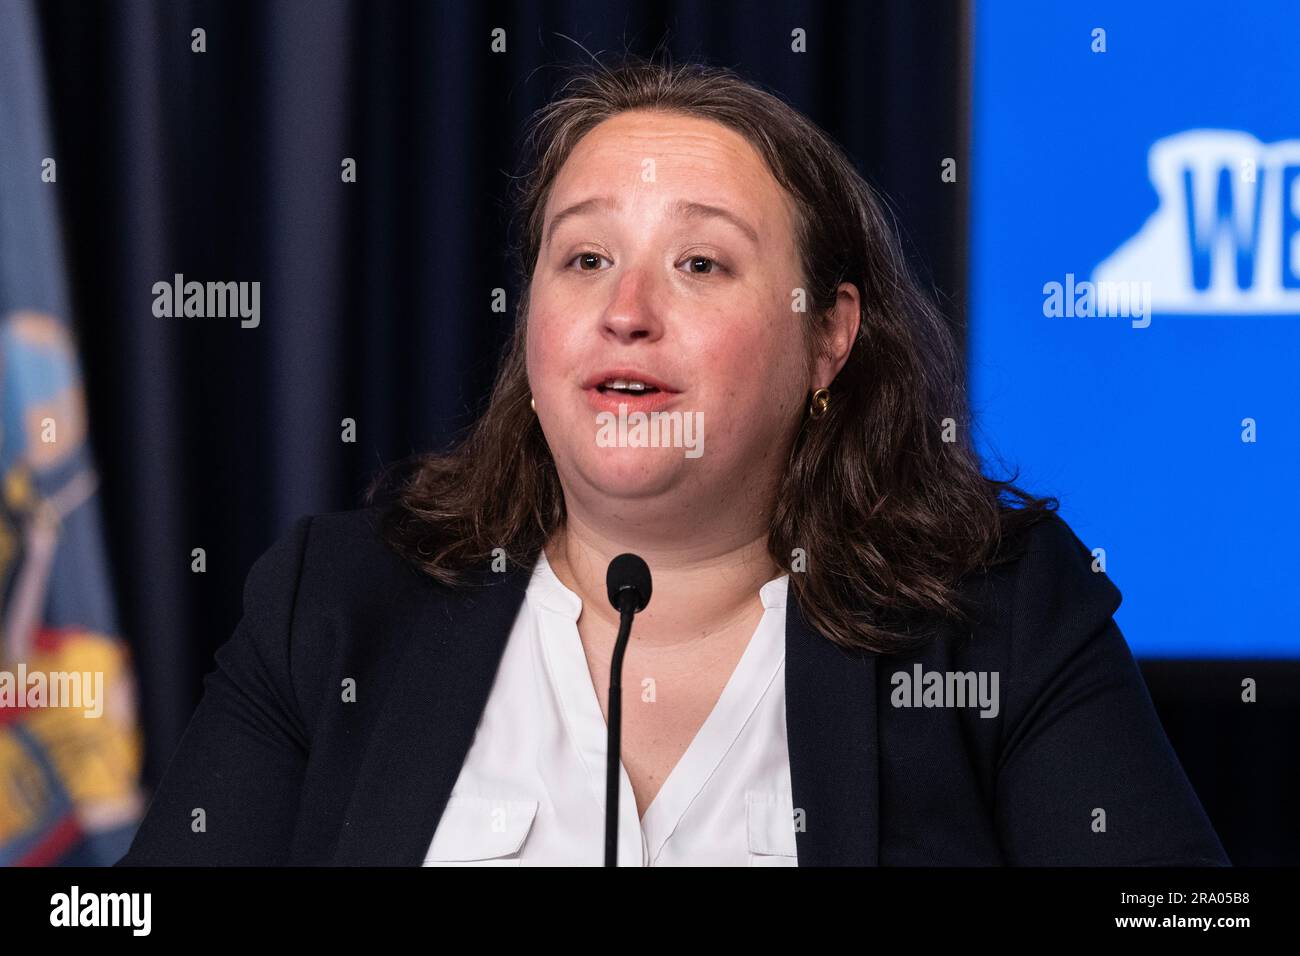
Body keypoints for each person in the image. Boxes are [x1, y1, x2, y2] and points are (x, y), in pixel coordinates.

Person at [115, 57, 1228, 867]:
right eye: (585, 256)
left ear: (827, 334)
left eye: (700, 262)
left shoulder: (1001, 610)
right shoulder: (340, 603)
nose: (626, 311)